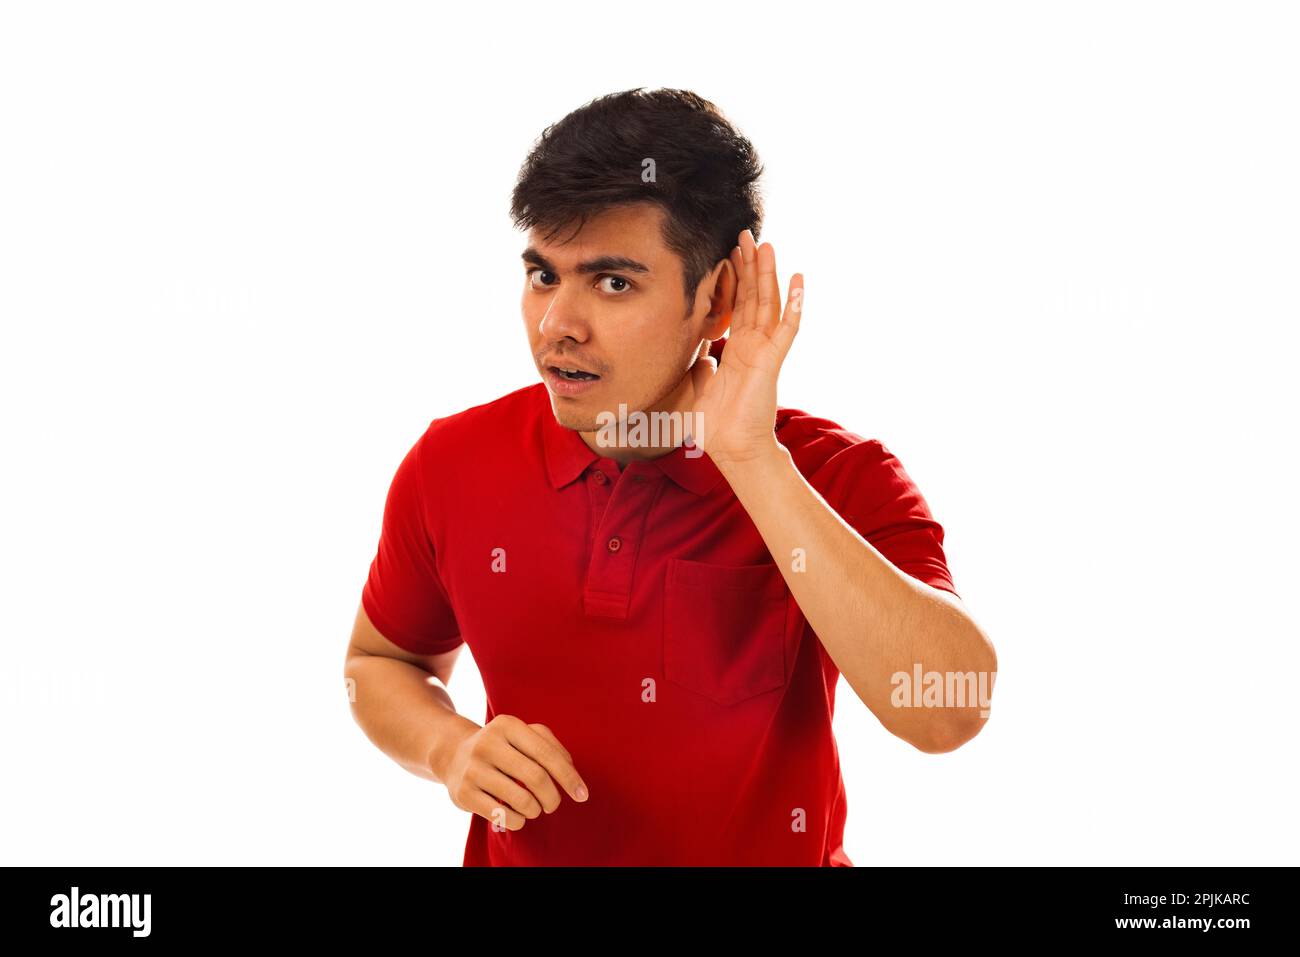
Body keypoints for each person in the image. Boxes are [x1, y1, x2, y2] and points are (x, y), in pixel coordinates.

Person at [344, 87, 997, 866]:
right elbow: (382, 663)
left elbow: (950, 711)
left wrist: (752, 458)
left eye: (613, 282)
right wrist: (450, 748)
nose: (557, 326)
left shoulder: (836, 473)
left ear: (718, 298)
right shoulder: (450, 463)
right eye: (543, 276)